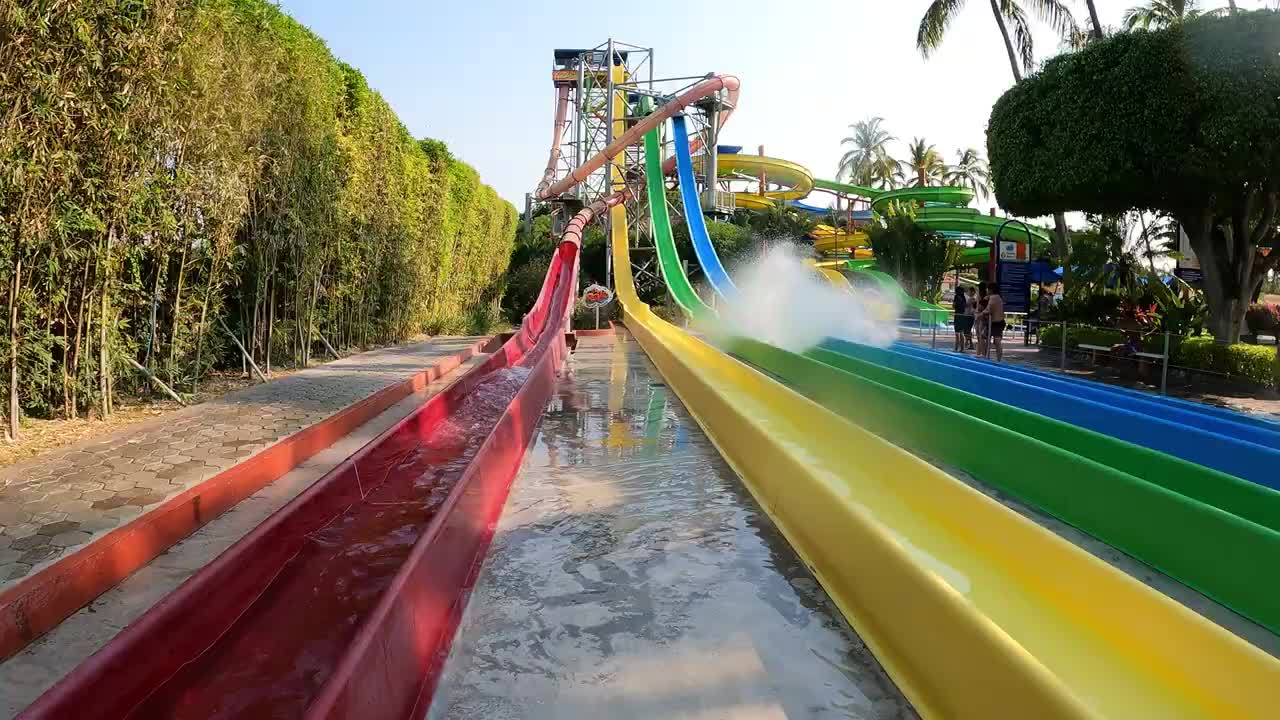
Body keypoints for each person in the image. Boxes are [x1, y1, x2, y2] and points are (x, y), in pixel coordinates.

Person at [987, 284, 1006, 361]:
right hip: (999, 321)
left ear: (991, 290)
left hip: (996, 322)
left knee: (997, 341)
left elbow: (989, 309)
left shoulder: (993, 297)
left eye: (988, 289)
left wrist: (980, 314)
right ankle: (998, 358)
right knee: (996, 341)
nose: (987, 291)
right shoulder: (998, 297)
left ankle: (998, 359)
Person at [975, 283, 990, 358]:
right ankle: (980, 352)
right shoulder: (986, 296)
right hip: (983, 316)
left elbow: (979, 307)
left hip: (981, 316)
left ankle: (982, 353)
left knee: (980, 336)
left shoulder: (983, 297)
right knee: (981, 336)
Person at [952, 284, 968, 352]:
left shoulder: (956, 297)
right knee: (961, 332)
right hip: (963, 315)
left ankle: (956, 348)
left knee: (957, 333)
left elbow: (954, 305)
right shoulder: (963, 297)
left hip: (957, 315)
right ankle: (962, 348)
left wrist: (954, 304)